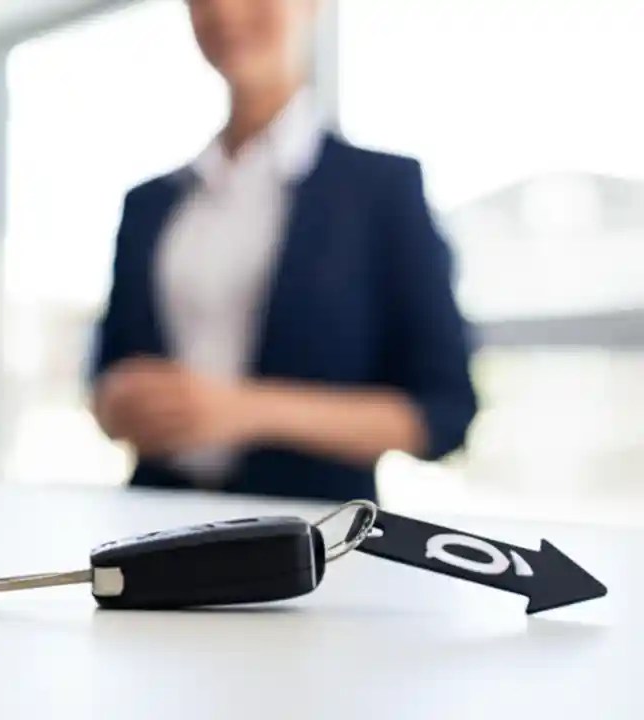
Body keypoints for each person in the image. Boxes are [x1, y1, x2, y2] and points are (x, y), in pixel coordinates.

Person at [90, 0, 477, 502]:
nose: (226, 11)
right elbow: (104, 379)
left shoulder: (382, 191)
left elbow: (443, 414)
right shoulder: (149, 205)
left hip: (309, 539)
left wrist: (244, 410)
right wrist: (115, 404)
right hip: (153, 523)